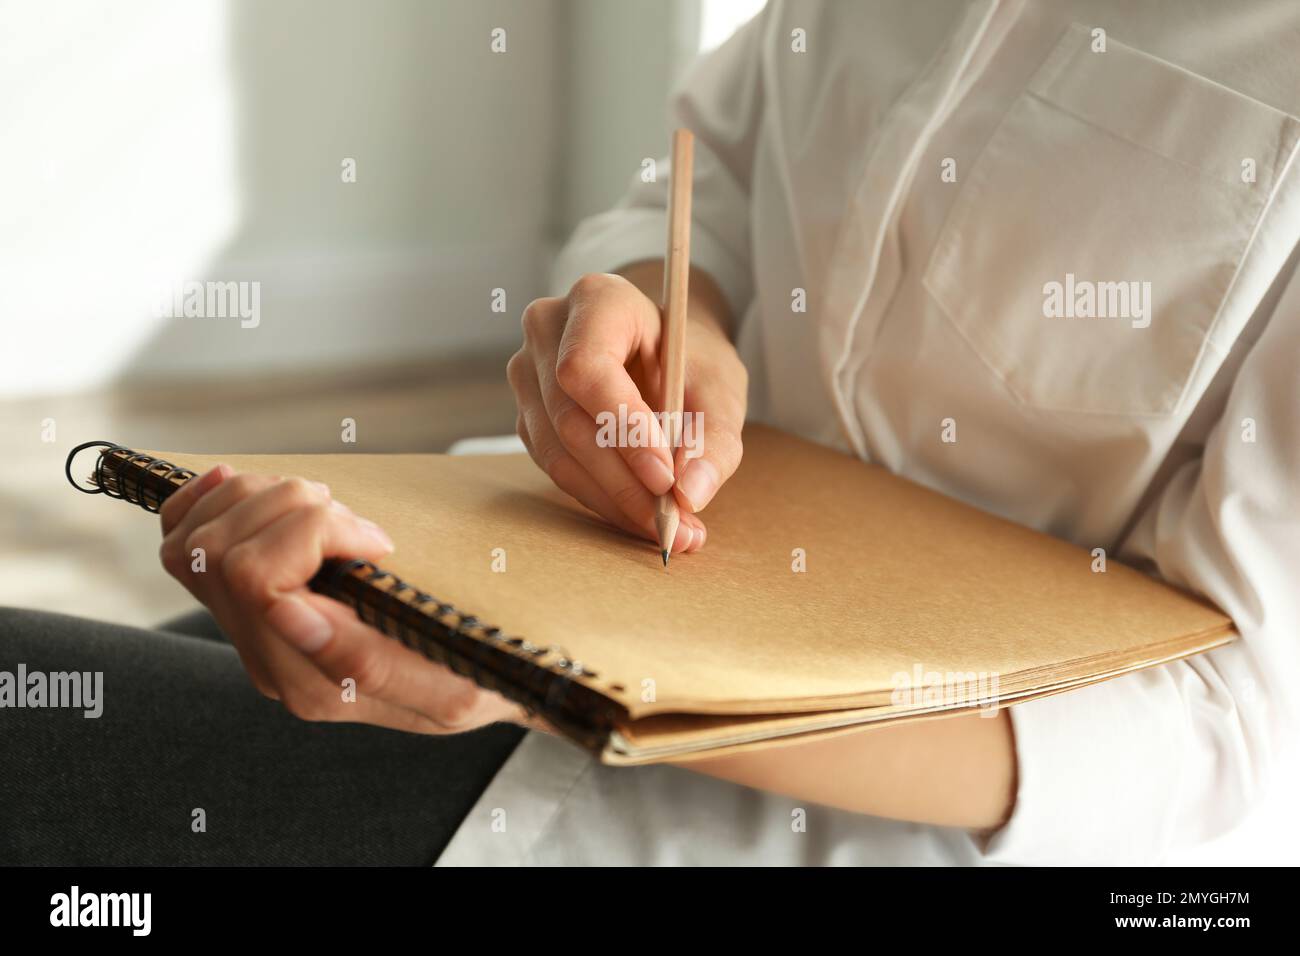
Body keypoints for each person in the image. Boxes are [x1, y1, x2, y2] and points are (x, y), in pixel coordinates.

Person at [4, 0, 1298, 865]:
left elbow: (1233, 730)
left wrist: (595, 680)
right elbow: (711, 169)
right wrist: (669, 309)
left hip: (811, 823)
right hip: (539, 585)